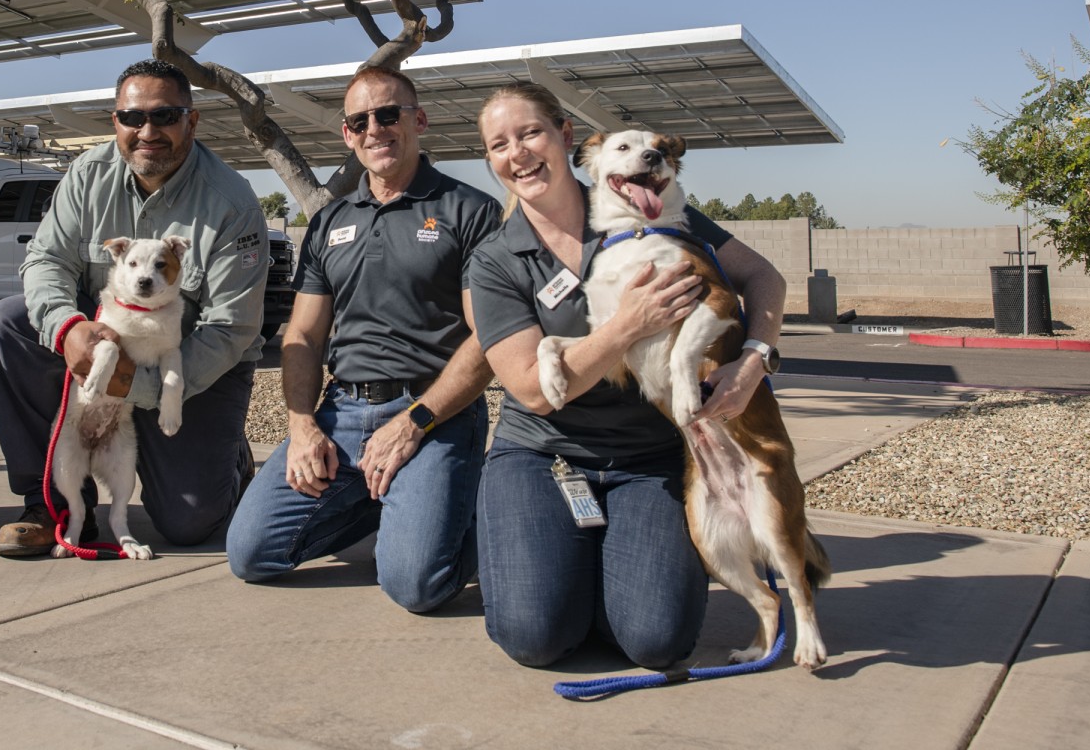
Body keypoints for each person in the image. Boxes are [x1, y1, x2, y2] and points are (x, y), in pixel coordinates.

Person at [465, 82, 787, 667]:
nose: (518, 153)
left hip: (649, 458)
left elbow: (764, 277)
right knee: (534, 637)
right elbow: (536, 392)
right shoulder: (494, 259)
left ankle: (601, 576)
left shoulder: (642, 203)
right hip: (546, 454)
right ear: (490, 160)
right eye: (498, 144)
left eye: (530, 133)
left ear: (565, 138)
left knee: (656, 642)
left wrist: (755, 358)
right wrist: (628, 325)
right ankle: (561, 568)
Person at [226, 67, 502, 612]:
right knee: (252, 554)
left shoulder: (469, 210)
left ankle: (468, 502)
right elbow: (303, 334)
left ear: (417, 120)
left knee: (416, 587)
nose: (375, 128)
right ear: (347, 135)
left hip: (433, 416)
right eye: (359, 120)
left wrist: (414, 422)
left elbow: (488, 337)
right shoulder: (331, 220)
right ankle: (398, 501)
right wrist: (302, 426)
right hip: (341, 414)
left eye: (388, 114)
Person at [0, 59, 269, 556]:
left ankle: (231, 460)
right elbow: (46, 260)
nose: (147, 131)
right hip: (102, 348)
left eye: (165, 116)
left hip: (190, 372)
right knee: (4, 324)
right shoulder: (87, 175)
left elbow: (230, 329)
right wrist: (68, 327)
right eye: (132, 118)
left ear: (191, 121)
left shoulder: (231, 201)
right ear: (116, 121)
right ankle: (52, 505)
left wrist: (136, 386)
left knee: (187, 522)